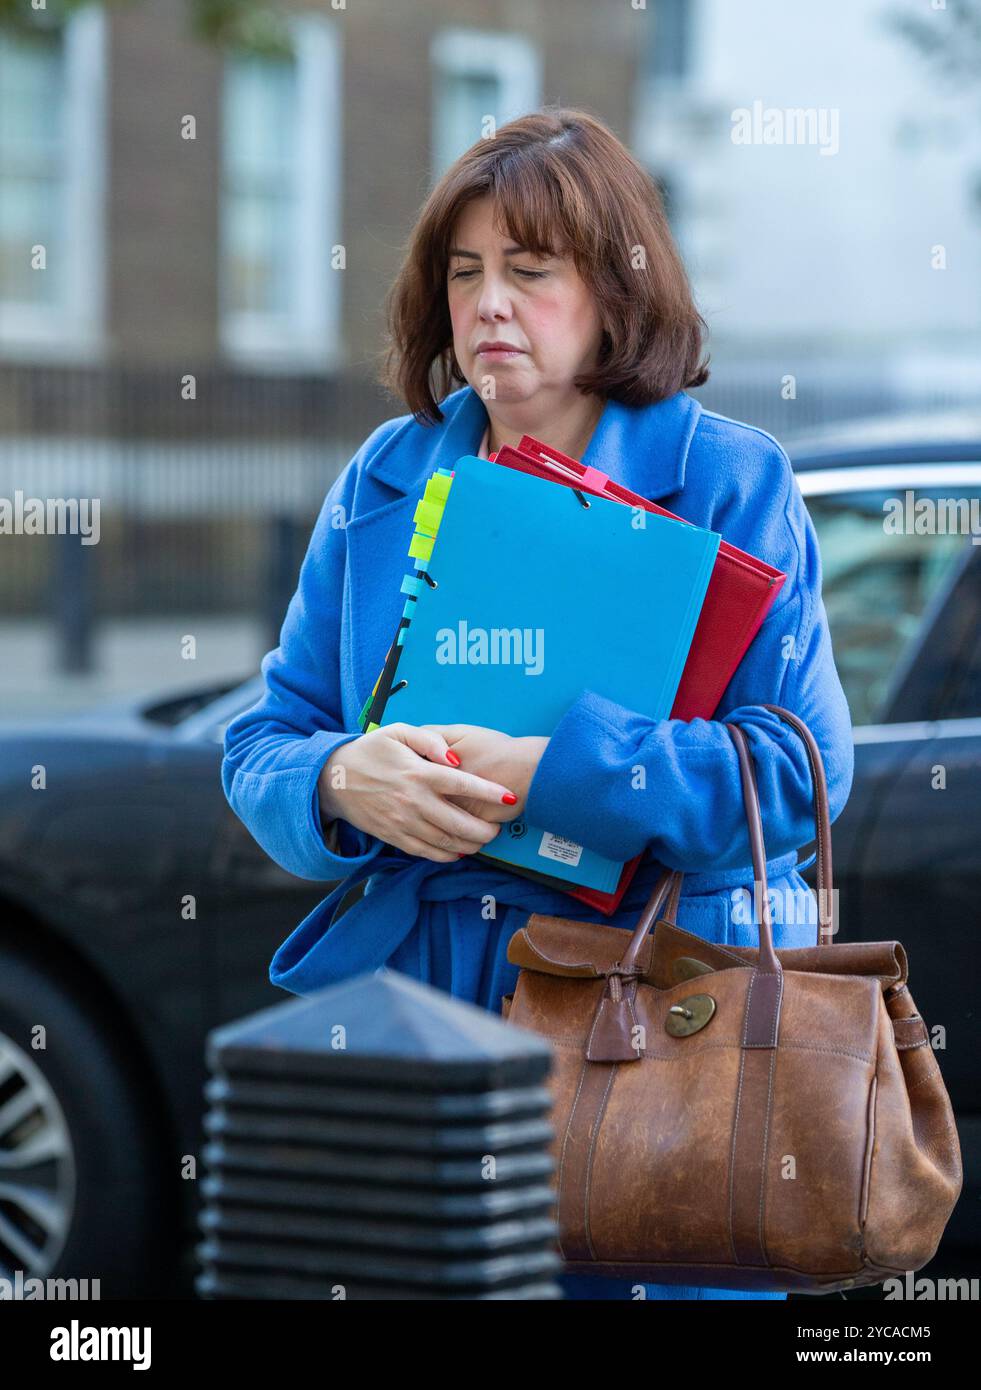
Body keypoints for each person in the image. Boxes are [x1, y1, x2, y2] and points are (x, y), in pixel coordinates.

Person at [221, 108, 854, 1301]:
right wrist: (340, 781)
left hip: (649, 1026)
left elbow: (800, 770)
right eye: (463, 273)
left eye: (529, 269)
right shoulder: (384, 476)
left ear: (617, 290)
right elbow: (260, 740)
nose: (487, 304)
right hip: (411, 1022)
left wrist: (546, 766)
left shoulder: (730, 477)